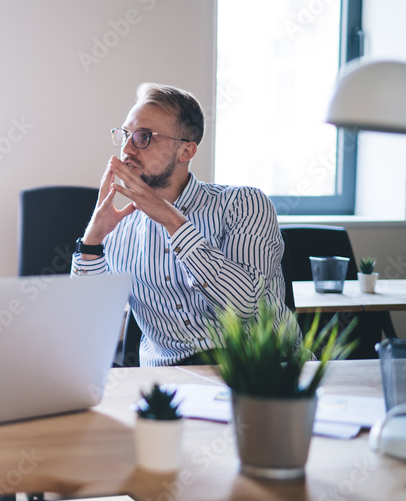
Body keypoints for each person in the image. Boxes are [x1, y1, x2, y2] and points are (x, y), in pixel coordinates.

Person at [72, 83, 293, 367]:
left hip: (260, 374)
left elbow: (242, 307)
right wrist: (93, 240)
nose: (127, 148)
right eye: (125, 135)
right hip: (169, 386)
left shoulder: (244, 203)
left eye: (144, 137)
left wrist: (172, 220)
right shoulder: (119, 223)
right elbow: (86, 322)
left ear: (186, 151)